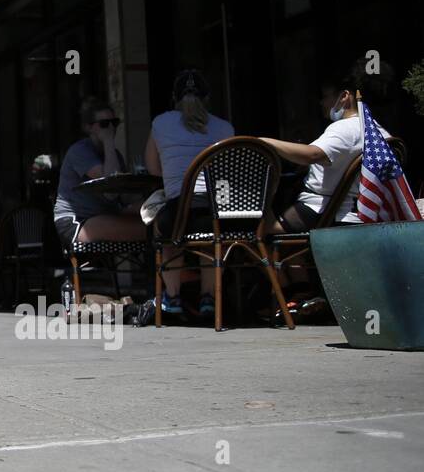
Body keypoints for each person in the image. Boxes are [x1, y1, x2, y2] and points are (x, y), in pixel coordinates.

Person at [144, 68, 234, 317]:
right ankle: (208, 298)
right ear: (207, 99)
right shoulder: (225, 128)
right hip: (220, 213)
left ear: (174, 99)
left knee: (166, 234)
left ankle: (172, 298)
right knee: (211, 240)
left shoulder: (161, 123)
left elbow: (153, 169)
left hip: (180, 212)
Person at [260, 64, 382, 230]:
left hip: (324, 210)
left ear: (345, 96)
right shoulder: (378, 131)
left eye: (325, 96)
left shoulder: (346, 127)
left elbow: (313, 154)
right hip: (360, 209)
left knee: (259, 225)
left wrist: (264, 142)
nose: (321, 102)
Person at [54, 97, 145, 250]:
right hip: (77, 221)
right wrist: (108, 140)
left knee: (154, 222)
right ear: (89, 128)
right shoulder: (80, 150)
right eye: (104, 124)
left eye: (114, 123)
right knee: (146, 230)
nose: (110, 129)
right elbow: (109, 182)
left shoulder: (114, 155)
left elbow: (119, 196)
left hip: (105, 215)